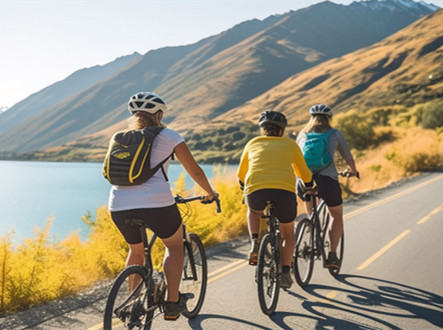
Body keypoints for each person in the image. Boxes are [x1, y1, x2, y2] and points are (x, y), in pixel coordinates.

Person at [107, 92, 218, 321]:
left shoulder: (120, 137)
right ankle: (171, 303)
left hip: (118, 204)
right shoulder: (169, 135)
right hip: (156, 203)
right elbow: (195, 170)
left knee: (136, 250)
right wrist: (210, 193)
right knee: (174, 246)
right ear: (158, 114)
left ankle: (133, 304)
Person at [237, 110, 314, 289]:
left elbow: (241, 174)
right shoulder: (290, 145)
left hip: (256, 190)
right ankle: (285, 272)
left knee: (254, 211)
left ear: (262, 129)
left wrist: (244, 187)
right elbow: (304, 174)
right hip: (284, 193)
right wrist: (310, 186)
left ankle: (255, 243)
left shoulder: (253, 143)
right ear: (282, 130)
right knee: (288, 232)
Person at [296, 104, 358, 270]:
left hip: (304, 181)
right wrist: (353, 170)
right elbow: (347, 155)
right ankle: (331, 255)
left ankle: (311, 229)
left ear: (311, 118)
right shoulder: (334, 133)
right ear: (329, 119)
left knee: (311, 211)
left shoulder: (302, 134)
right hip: (327, 180)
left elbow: (296, 158)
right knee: (336, 215)